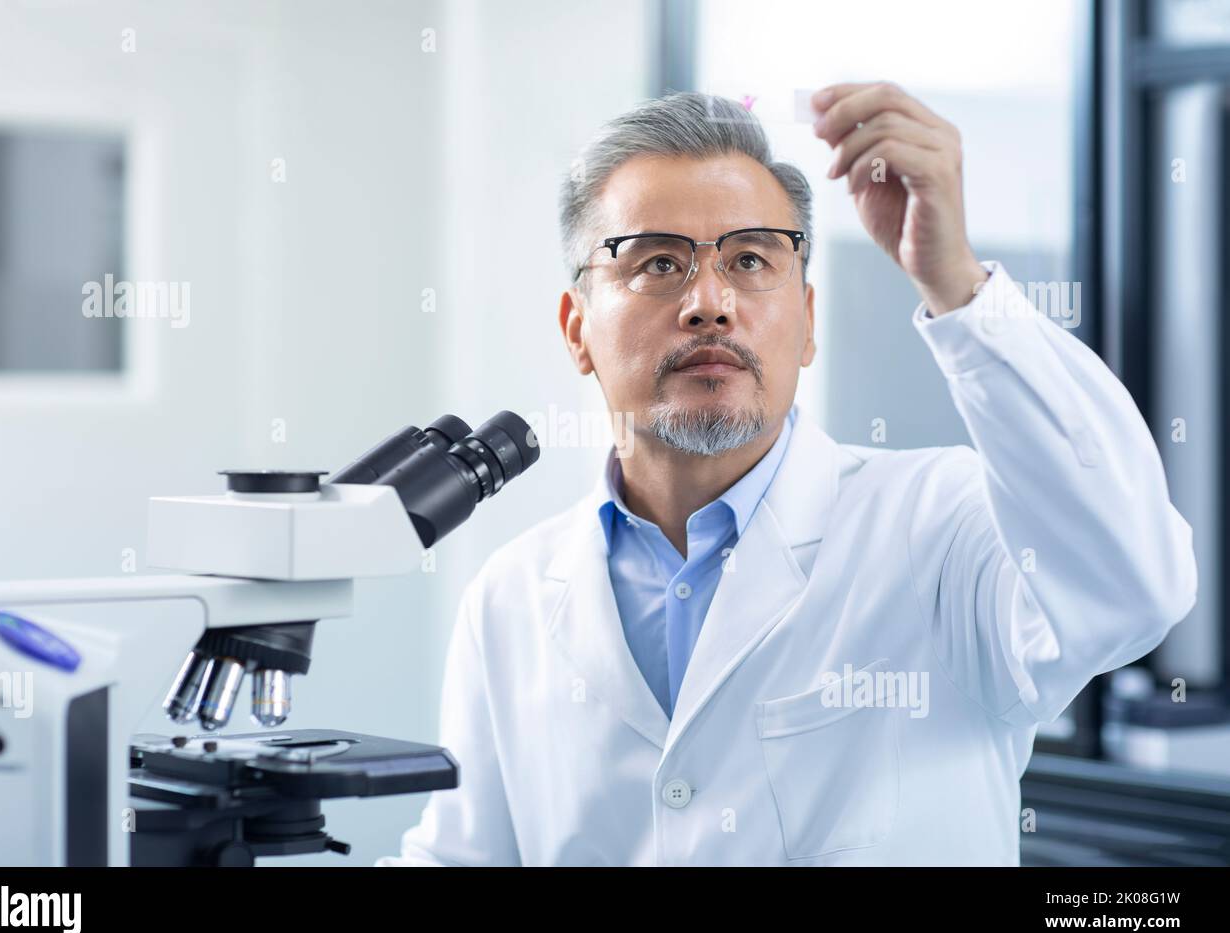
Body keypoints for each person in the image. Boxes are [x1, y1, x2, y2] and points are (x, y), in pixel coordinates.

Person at [376, 85, 1196, 866]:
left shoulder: (941, 529)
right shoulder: (510, 596)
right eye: (657, 263)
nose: (709, 302)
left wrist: (959, 285)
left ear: (807, 322)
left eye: (751, 260)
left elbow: (1134, 586)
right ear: (577, 329)